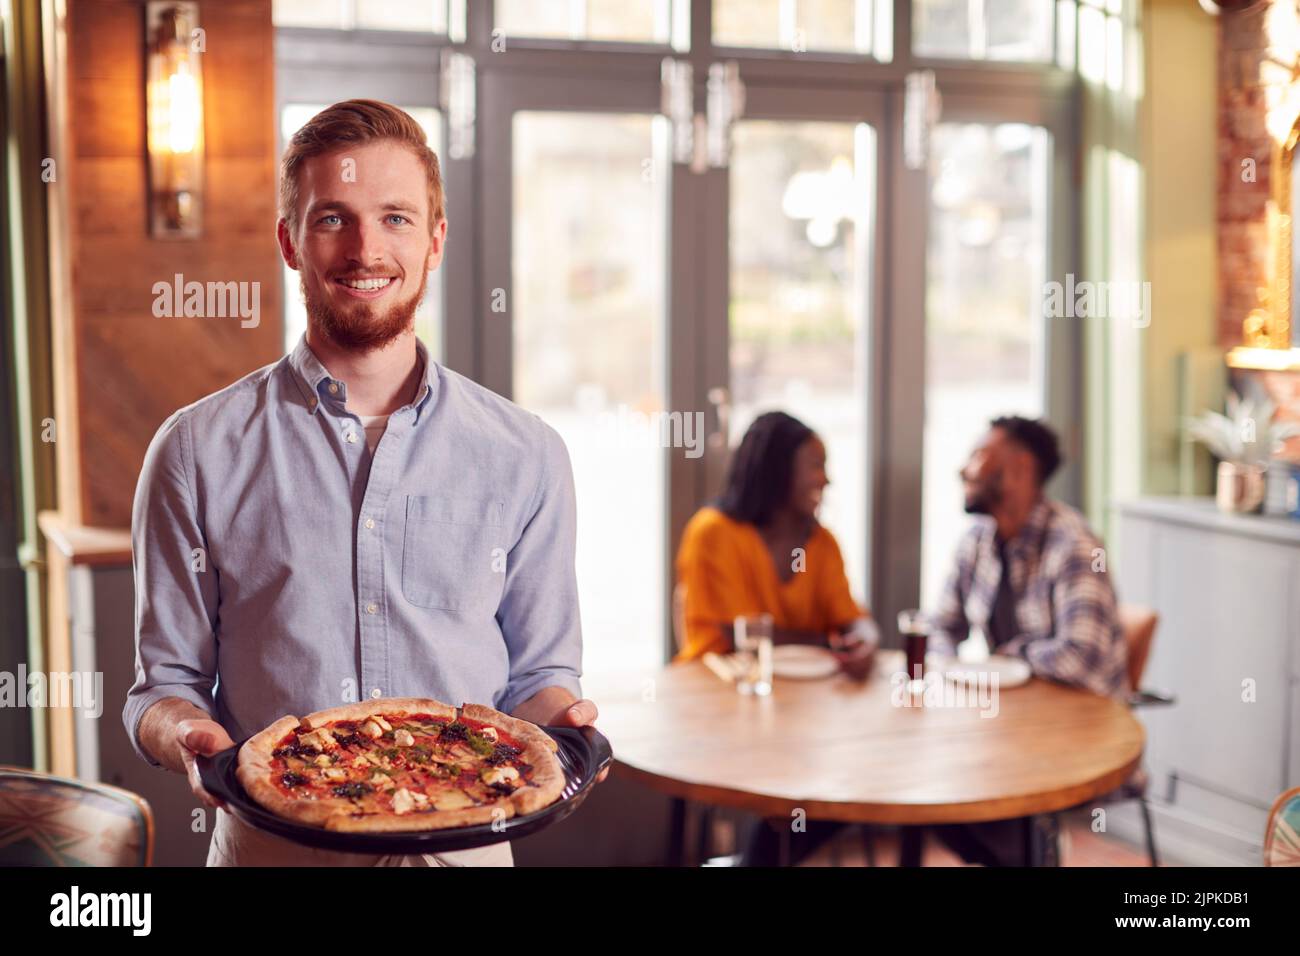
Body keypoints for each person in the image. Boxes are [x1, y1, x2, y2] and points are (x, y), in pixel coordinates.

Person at [123, 100, 601, 867]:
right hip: (273, 852)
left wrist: (562, 721)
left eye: (397, 218)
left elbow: (540, 677)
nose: (366, 248)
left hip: (469, 844)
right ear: (289, 240)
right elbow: (162, 686)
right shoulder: (191, 450)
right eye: (332, 219)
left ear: (436, 239)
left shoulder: (527, 452)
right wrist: (188, 734)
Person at [674, 410, 878, 865]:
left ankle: (764, 855)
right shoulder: (715, 534)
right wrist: (827, 641)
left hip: (799, 717)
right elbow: (740, 635)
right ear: (777, 469)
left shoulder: (820, 544)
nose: (826, 480)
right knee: (794, 782)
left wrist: (863, 639)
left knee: (856, 767)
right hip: (715, 712)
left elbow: (855, 619)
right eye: (815, 465)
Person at [927, 415, 1129, 866]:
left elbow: (1082, 657)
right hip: (1007, 732)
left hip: (1077, 737)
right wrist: (941, 669)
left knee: (955, 792)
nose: (965, 468)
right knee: (923, 785)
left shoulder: (1074, 545)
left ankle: (1028, 853)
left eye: (979, 456)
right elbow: (941, 624)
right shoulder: (976, 541)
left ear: (1019, 469)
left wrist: (1007, 658)